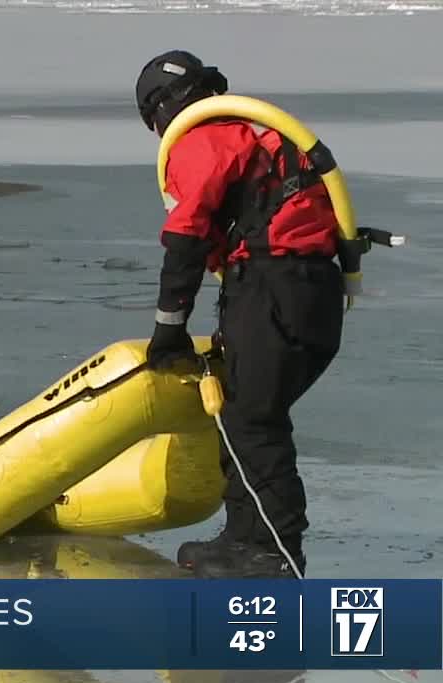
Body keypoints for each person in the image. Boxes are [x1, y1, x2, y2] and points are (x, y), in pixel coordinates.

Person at [135, 51, 345, 578]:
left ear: (161, 110)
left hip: (273, 287)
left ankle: (272, 552)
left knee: (254, 420)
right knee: (246, 412)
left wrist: (168, 328)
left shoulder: (203, 140)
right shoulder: (256, 136)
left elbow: (186, 237)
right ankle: (242, 540)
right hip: (312, 291)